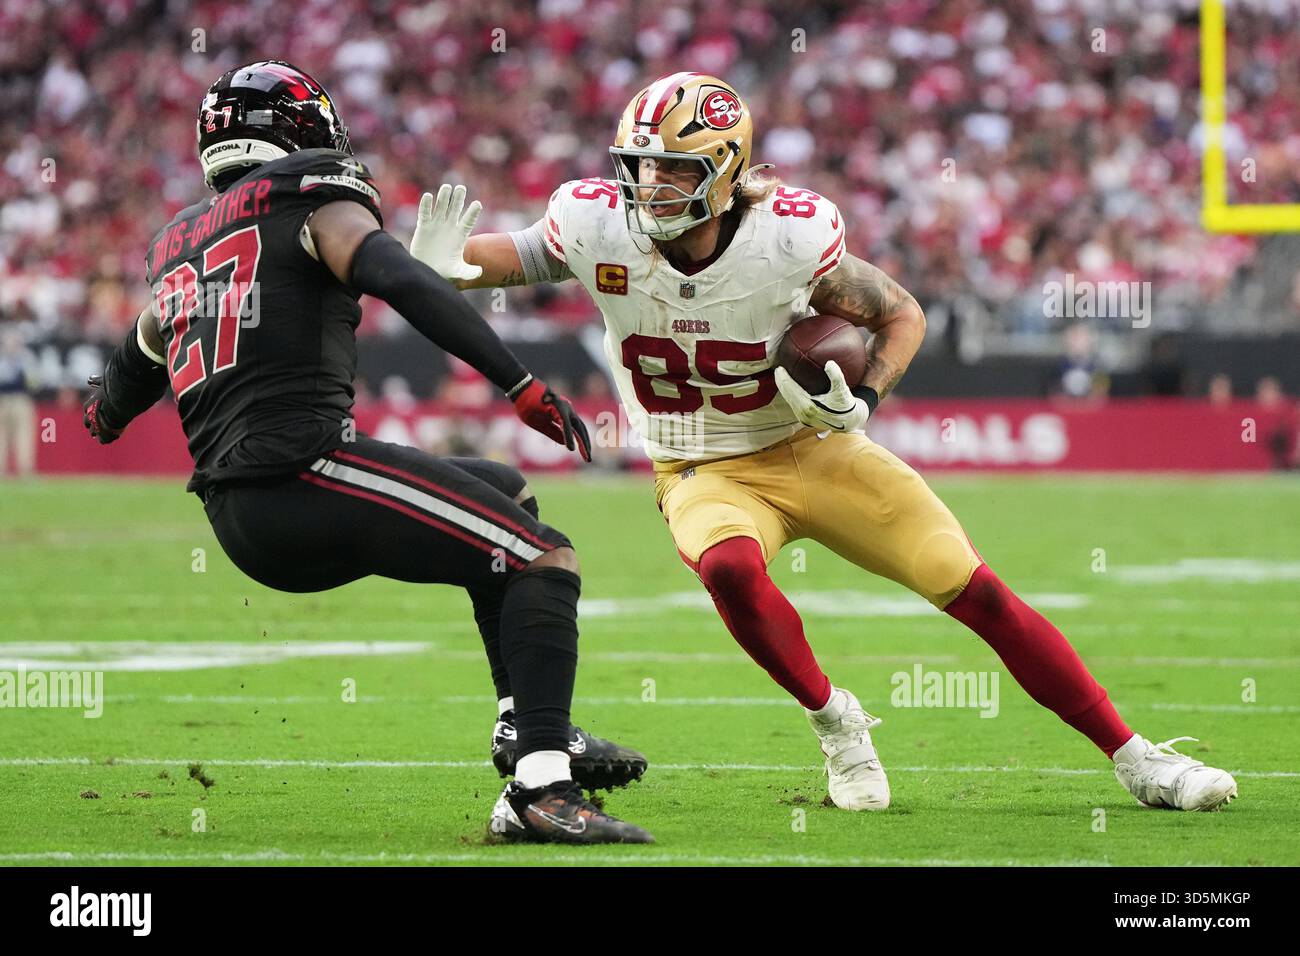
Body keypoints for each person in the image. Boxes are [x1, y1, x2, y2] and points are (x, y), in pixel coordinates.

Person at [412, 73, 1238, 813]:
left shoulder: (791, 238)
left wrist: (866, 398)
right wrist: (444, 266)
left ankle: (1135, 758)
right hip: (699, 461)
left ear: (726, 174)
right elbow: (515, 258)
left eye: (676, 169)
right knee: (732, 567)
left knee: (971, 588)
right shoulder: (599, 224)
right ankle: (835, 718)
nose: (651, 184)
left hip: (812, 447)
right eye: (641, 163)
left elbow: (901, 313)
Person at [81, 61, 651, 844]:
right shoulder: (309, 193)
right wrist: (518, 383)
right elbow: (394, 277)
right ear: (298, 130)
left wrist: (102, 413)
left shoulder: (178, 245)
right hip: (305, 473)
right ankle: (540, 790)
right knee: (542, 558)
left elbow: (127, 376)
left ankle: (526, 724)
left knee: (504, 495)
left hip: (238, 515)